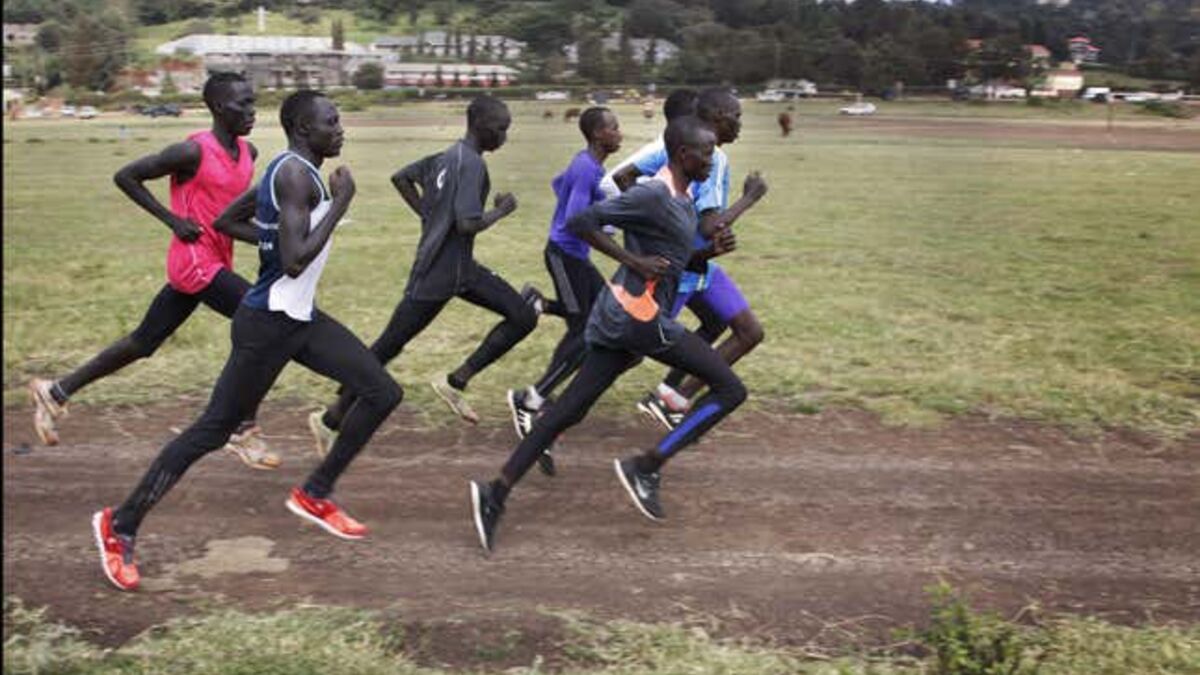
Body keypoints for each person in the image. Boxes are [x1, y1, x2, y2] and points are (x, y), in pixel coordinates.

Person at [92, 91, 403, 591]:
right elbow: (297, 259)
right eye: (331, 122)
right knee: (212, 431)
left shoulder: (288, 170)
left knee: (382, 390)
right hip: (266, 327)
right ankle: (119, 524)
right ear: (303, 129)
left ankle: (315, 493)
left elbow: (227, 222)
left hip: (297, 318)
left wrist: (272, 237)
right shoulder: (296, 174)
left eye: (339, 120)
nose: (340, 129)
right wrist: (342, 202)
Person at [469, 115, 747, 552]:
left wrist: (708, 252)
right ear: (682, 154)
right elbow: (581, 222)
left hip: (621, 318)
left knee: (567, 412)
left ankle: (495, 492)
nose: (713, 160)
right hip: (639, 320)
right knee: (730, 389)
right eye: (706, 153)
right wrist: (634, 263)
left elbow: (674, 263)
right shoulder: (652, 195)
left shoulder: (684, 199)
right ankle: (647, 466)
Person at [27, 72, 280, 470]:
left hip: (216, 261)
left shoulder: (250, 155)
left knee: (144, 342)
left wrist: (275, 236)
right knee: (265, 324)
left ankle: (56, 391)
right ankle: (242, 427)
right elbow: (126, 176)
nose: (252, 111)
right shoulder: (191, 152)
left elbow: (229, 217)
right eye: (242, 104)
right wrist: (172, 220)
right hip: (194, 262)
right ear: (217, 107)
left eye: (253, 102)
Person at [308, 96, 539, 453]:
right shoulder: (472, 164)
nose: (505, 136)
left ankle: (456, 381)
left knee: (523, 315)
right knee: (388, 345)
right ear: (480, 125)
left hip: (462, 272)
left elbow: (401, 178)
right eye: (501, 128)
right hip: (435, 275)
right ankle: (330, 419)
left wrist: (431, 218)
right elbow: (467, 224)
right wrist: (503, 211)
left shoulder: (448, 156)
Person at [610, 88, 768, 431]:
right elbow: (711, 225)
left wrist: (652, 221)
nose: (741, 124)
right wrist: (749, 198)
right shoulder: (713, 158)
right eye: (736, 116)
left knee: (745, 330)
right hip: (678, 271)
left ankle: (672, 399)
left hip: (700, 267)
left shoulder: (682, 146)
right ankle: (549, 397)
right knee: (625, 352)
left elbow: (623, 177)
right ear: (716, 118)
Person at [504, 106, 623, 476]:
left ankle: (540, 304)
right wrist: (610, 233)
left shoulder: (587, 165)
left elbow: (559, 184)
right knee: (586, 331)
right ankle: (530, 400)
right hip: (564, 256)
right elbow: (575, 220)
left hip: (574, 257)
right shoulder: (587, 167)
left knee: (594, 320)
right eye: (614, 128)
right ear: (598, 135)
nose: (620, 133)